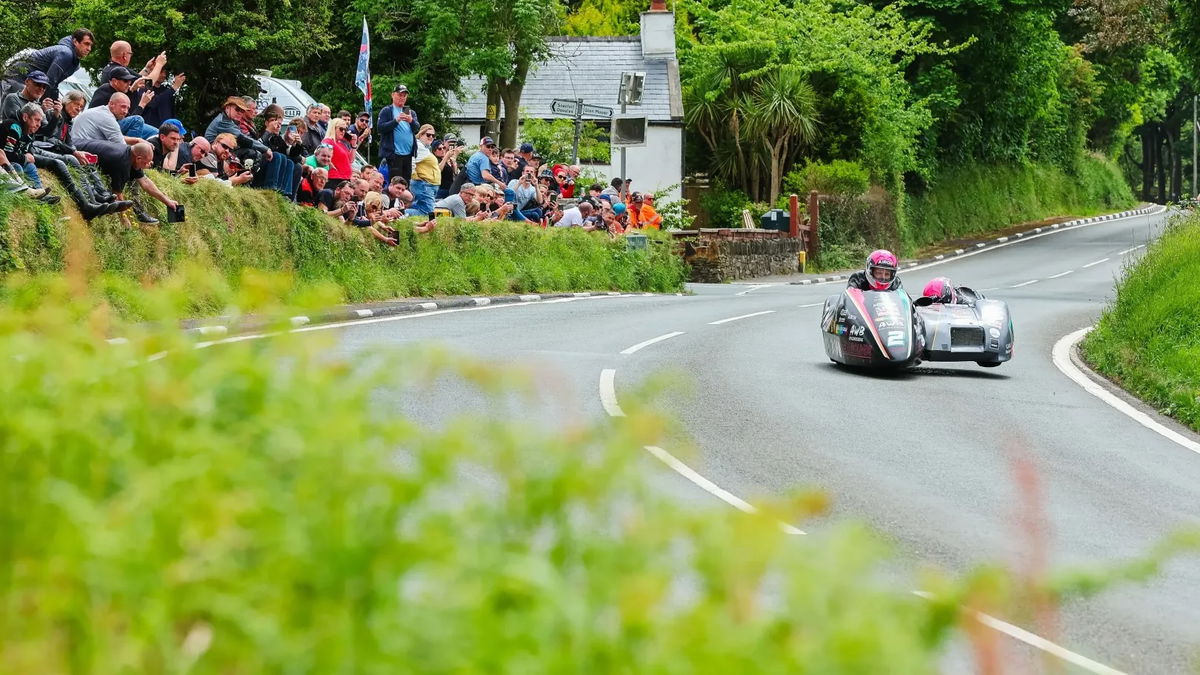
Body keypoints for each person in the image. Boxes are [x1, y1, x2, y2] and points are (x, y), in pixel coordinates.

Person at [1, 29, 95, 101]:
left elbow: (53, 85)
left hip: (27, 83)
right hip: (17, 79)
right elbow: (49, 82)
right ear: (75, 42)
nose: (89, 49)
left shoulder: (74, 63)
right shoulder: (66, 53)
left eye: (91, 45)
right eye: (86, 44)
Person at [377, 85, 419, 184]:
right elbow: (380, 128)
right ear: (393, 95)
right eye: (400, 95)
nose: (402, 98)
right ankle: (394, 199)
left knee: (406, 182)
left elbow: (417, 127)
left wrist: (411, 121)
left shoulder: (411, 112)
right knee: (395, 182)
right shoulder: (387, 111)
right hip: (394, 154)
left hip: (408, 154)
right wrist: (396, 121)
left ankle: (403, 199)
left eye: (404, 96)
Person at [406, 124, 439, 217]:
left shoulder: (425, 148)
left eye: (433, 135)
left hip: (429, 185)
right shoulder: (418, 146)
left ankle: (407, 218)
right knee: (427, 213)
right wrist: (414, 176)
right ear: (421, 134)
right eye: (428, 135)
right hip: (424, 184)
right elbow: (411, 160)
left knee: (420, 208)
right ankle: (401, 214)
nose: (431, 137)